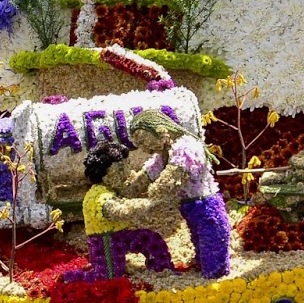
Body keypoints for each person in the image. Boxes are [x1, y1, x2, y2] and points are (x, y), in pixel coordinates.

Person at [129, 110, 232, 278]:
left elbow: (168, 181)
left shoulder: (187, 147)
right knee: (199, 242)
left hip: (206, 207)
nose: (144, 149)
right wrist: (123, 187)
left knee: (212, 245)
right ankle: (203, 267)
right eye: (139, 144)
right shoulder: (164, 155)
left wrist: (143, 205)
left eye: (144, 141)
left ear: (161, 130)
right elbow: (145, 176)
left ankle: (215, 277)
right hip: (190, 208)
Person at [68, 140, 174, 281]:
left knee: (150, 239)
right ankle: (70, 277)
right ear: (104, 174)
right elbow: (119, 210)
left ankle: (162, 268)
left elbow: (136, 185)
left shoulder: (114, 187)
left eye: (127, 167)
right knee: (108, 276)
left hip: (123, 234)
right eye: (120, 170)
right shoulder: (98, 196)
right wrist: (148, 204)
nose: (127, 173)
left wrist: (160, 159)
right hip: (105, 240)